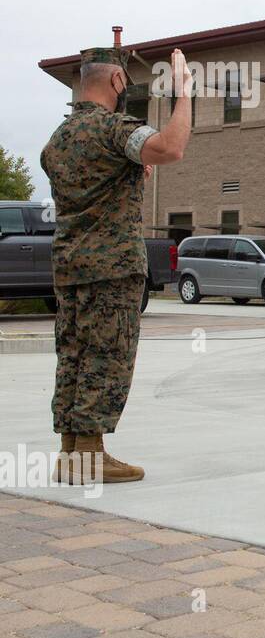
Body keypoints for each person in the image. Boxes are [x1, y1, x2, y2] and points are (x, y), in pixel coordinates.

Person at [40, 40, 193, 484]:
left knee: (72, 353)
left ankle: (71, 451)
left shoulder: (57, 140)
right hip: (112, 266)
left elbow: (92, 179)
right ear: (116, 80)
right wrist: (183, 92)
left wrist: (128, 169)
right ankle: (90, 453)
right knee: (108, 355)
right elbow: (170, 148)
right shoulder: (112, 129)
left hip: (69, 267)